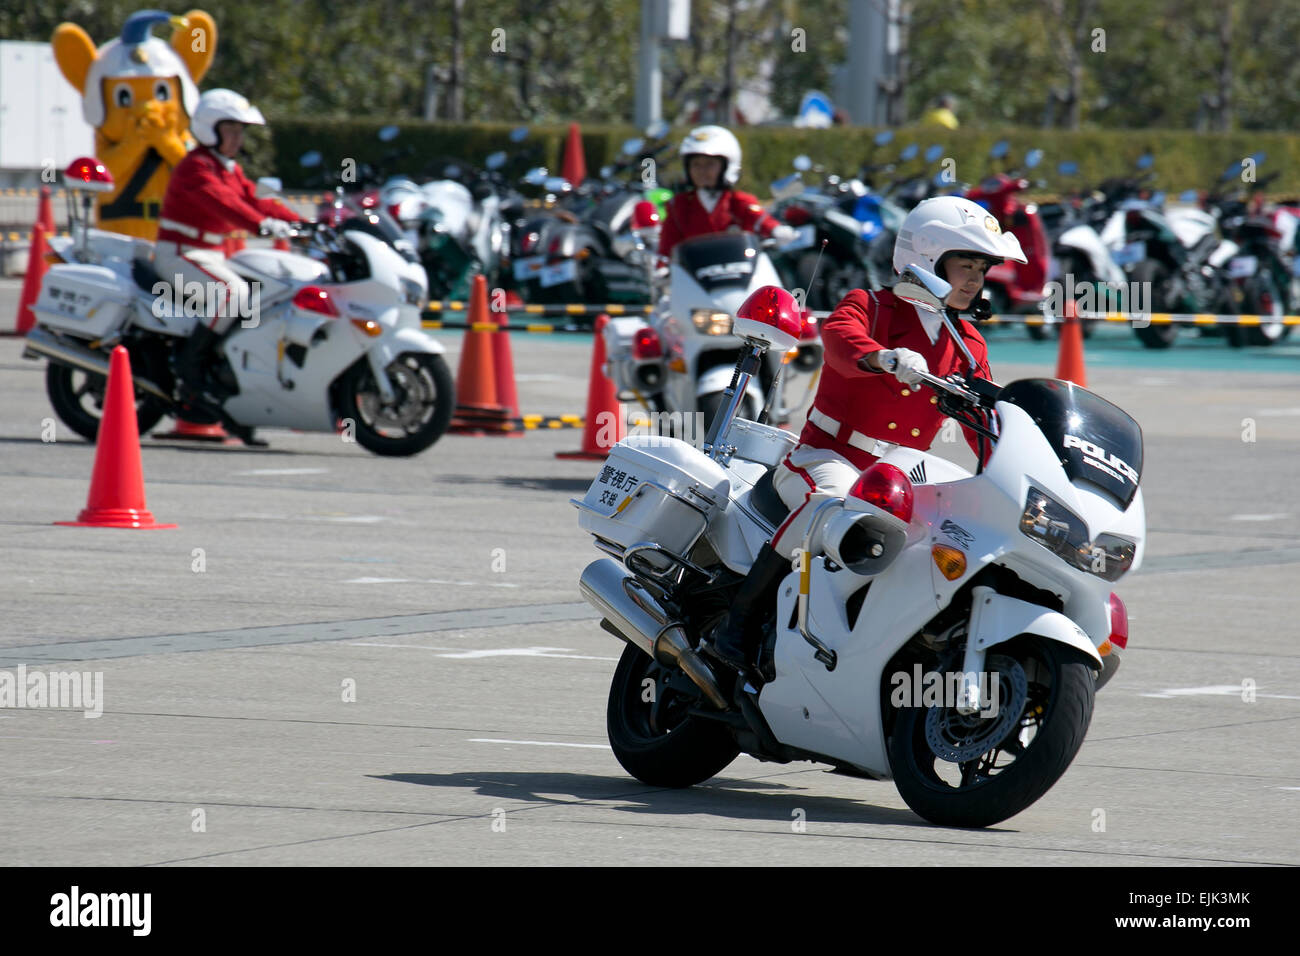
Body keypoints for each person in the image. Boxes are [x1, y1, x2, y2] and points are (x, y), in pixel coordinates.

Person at [704, 195, 1027, 672]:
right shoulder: (872, 308)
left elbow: (983, 426)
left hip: (899, 475)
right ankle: (738, 623)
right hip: (827, 456)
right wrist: (883, 358)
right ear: (928, 258)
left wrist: (1013, 466)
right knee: (830, 504)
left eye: (983, 267)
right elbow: (838, 338)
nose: (976, 278)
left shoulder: (968, 344)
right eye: (966, 264)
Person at [155, 88, 301, 406]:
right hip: (182, 254)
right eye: (230, 130)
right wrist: (261, 226)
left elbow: (257, 200)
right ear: (210, 129)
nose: (237, 138)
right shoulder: (197, 167)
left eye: (239, 131)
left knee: (265, 290)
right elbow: (227, 205)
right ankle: (191, 369)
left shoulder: (228, 168)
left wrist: (302, 223)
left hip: (211, 255)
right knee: (233, 294)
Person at [657, 125, 795, 259]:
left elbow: (760, 219)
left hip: (740, 275)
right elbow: (667, 246)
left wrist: (776, 230)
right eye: (696, 164)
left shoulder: (740, 201)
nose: (701, 170)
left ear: (726, 167)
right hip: (693, 279)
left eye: (709, 164)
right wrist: (662, 268)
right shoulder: (679, 205)